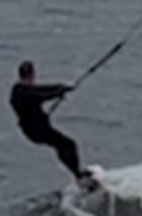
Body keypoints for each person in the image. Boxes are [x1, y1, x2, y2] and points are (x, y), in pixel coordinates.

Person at [10, 61, 95, 190]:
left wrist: (62, 87)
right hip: (36, 131)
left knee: (62, 145)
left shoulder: (17, 89)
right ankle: (79, 177)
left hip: (35, 130)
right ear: (32, 74)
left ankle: (78, 175)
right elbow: (43, 95)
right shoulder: (24, 93)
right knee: (67, 144)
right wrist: (60, 91)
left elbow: (43, 89)